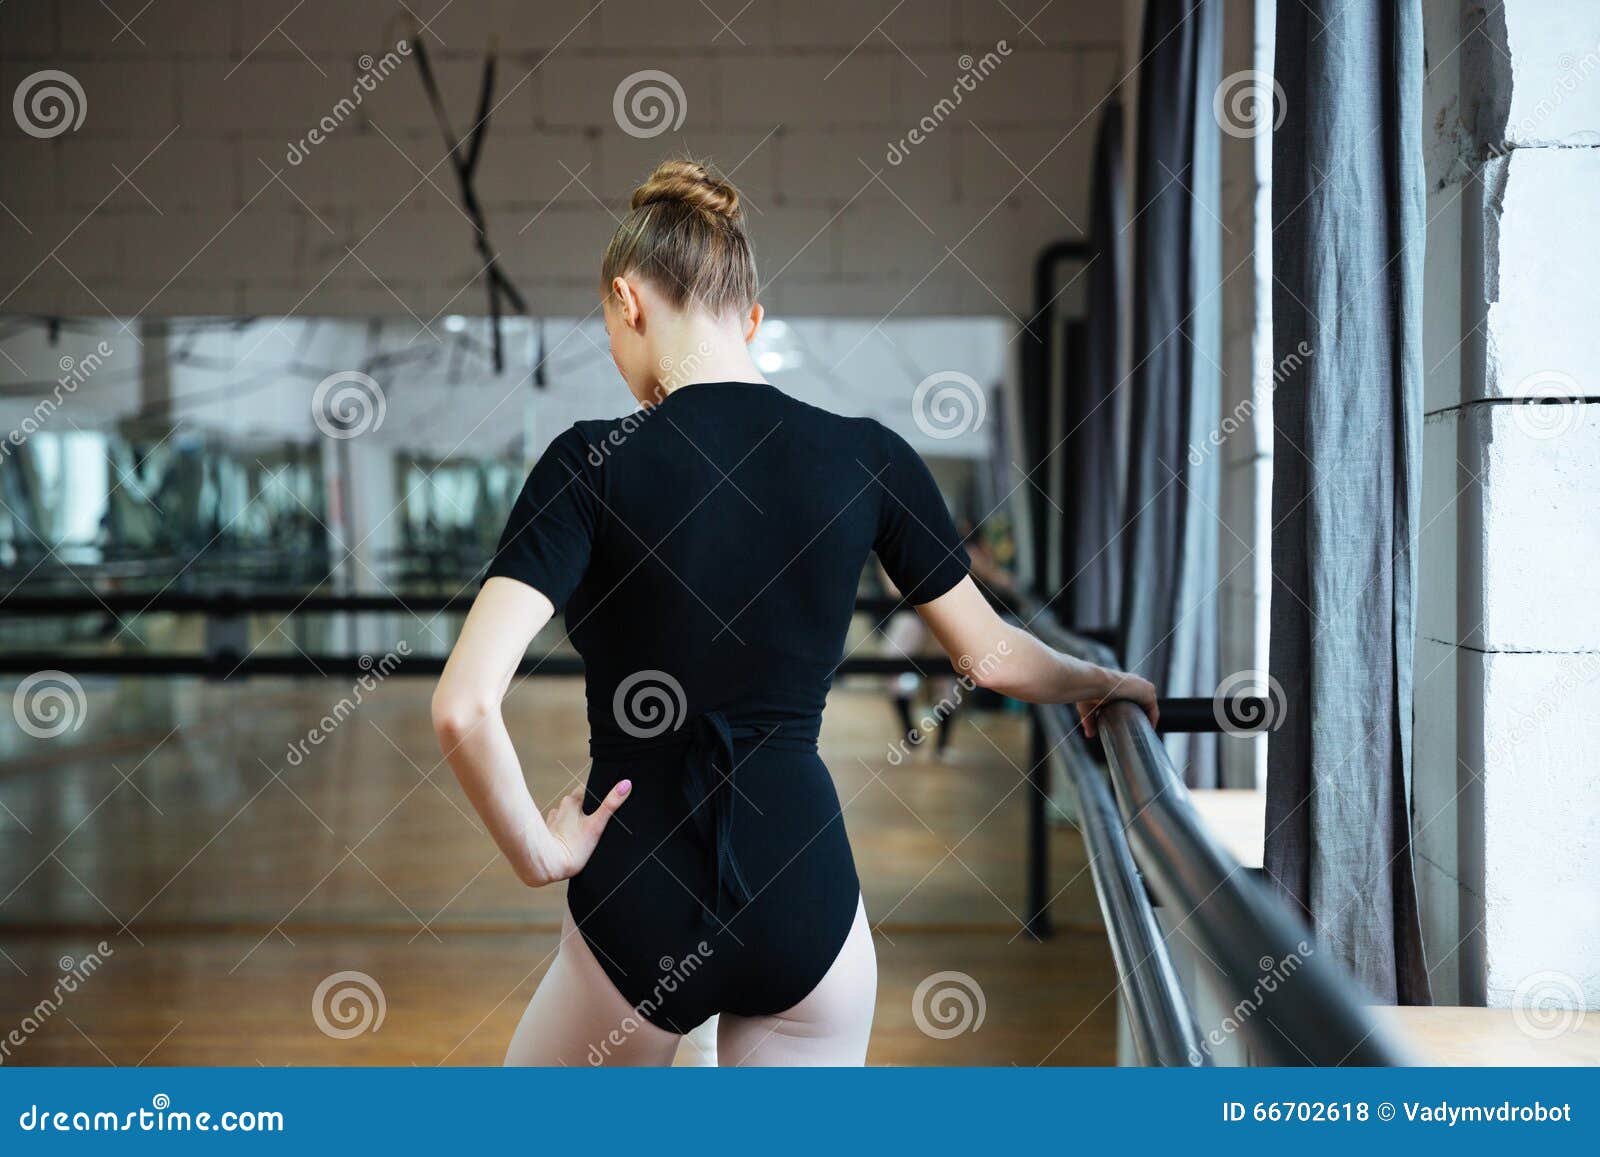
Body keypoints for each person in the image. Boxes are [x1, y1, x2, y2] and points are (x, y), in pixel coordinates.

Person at [431, 159, 1158, 1067]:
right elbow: (998, 656)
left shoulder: (588, 464)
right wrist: (1101, 679)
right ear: (752, 320)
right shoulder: (865, 456)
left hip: (638, 891)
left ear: (627, 300)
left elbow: (462, 704)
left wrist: (539, 850)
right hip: (802, 891)